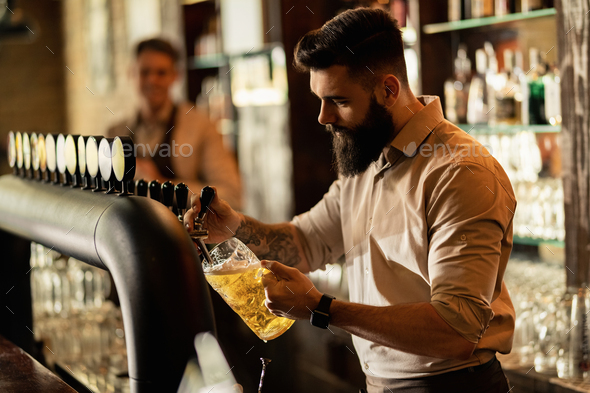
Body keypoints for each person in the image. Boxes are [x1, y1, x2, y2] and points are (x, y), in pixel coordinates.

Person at [185, 8, 515, 393]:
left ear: (389, 90)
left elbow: (457, 330)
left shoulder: (459, 172)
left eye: (338, 100)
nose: (324, 117)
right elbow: (306, 242)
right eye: (320, 99)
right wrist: (234, 227)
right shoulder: (366, 159)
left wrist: (321, 308)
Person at [107, 38, 242, 209]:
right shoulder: (115, 131)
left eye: (161, 73)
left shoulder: (201, 125)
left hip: (183, 233)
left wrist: (162, 185)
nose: (152, 80)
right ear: (131, 74)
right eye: (145, 72)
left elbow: (231, 195)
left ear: (175, 76)